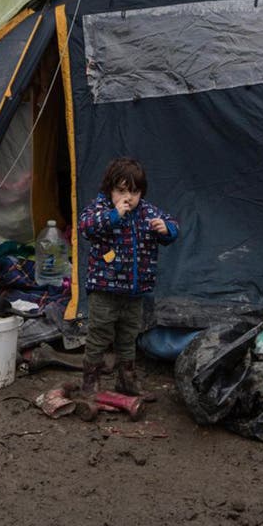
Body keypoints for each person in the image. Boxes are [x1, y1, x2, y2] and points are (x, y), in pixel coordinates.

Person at [77, 157, 179, 400]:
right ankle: (90, 379)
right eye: (121, 191)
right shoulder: (101, 209)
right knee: (99, 333)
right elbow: (85, 226)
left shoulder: (147, 211)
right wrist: (114, 215)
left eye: (134, 192)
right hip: (104, 288)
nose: (128, 198)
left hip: (135, 290)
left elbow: (172, 225)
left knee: (129, 335)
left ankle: (127, 379)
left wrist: (167, 228)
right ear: (109, 190)